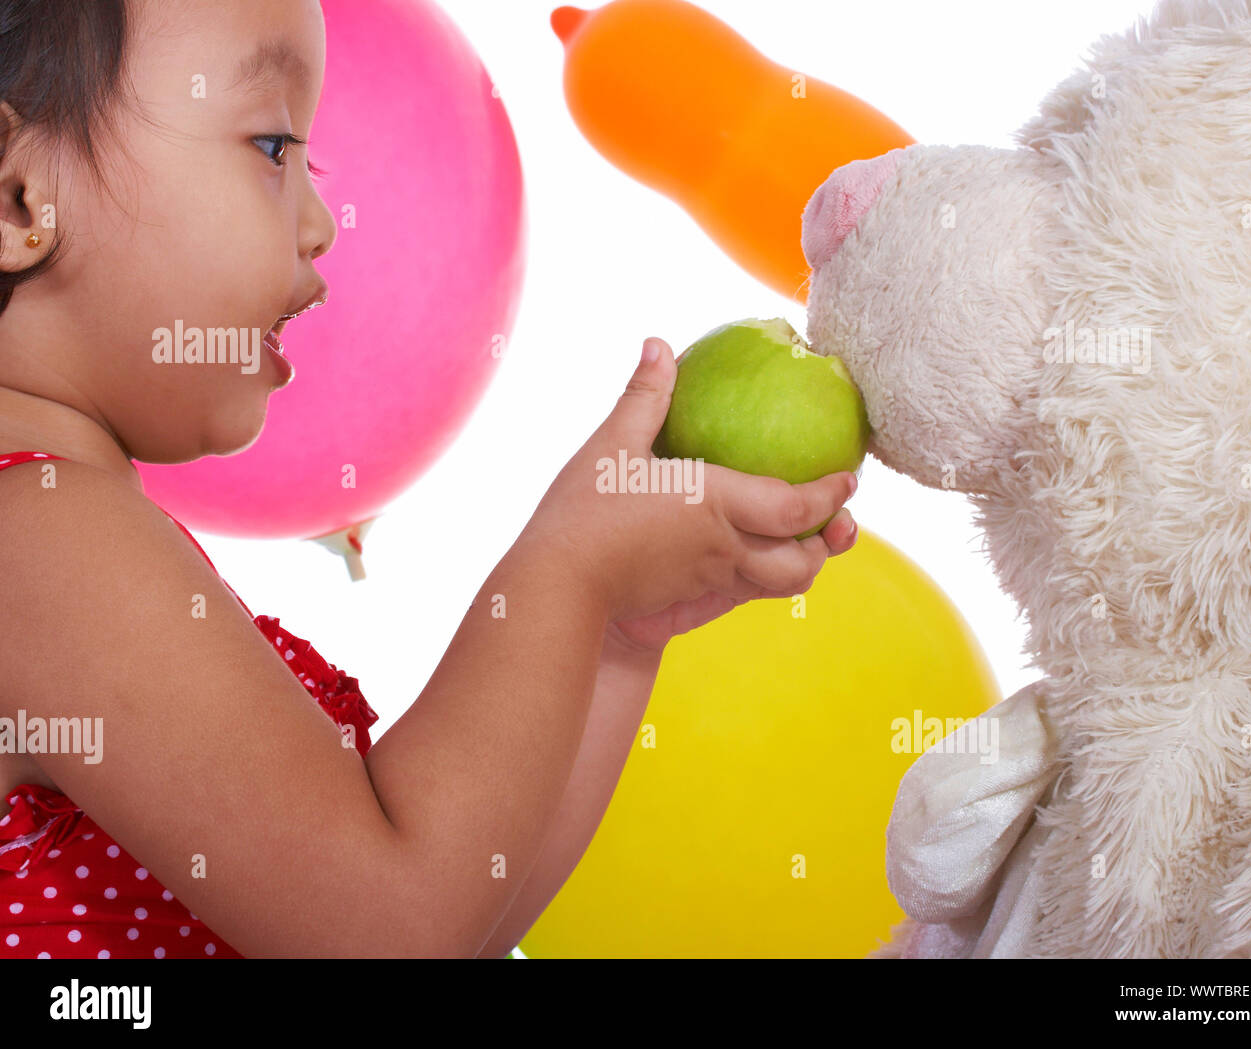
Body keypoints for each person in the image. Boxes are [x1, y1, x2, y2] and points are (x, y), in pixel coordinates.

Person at [0, 0, 858, 958]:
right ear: (21, 200)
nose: (322, 225)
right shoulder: (37, 537)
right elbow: (390, 930)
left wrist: (617, 633)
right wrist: (569, 570)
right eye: (276, 146)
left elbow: (464, 917)